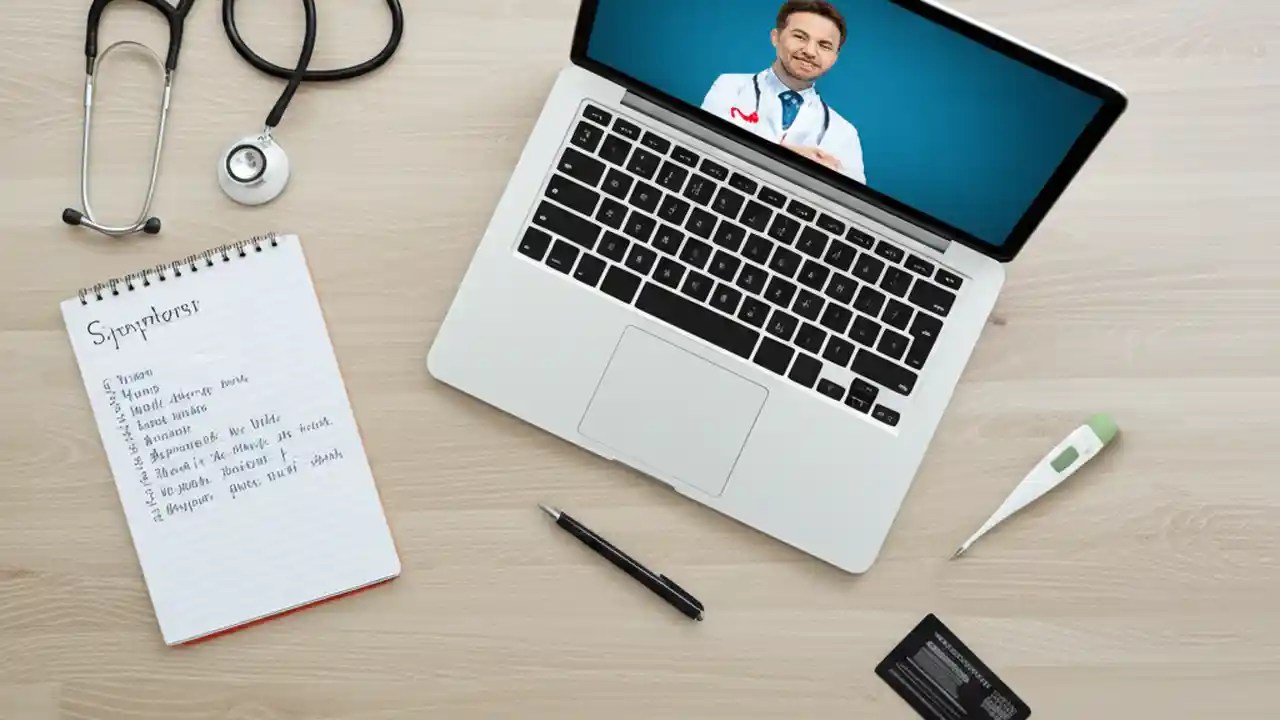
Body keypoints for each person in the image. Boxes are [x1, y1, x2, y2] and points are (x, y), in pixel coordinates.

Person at [700, 0, 866, 184]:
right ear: (775, 37)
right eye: (800, 37)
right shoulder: (729, 87)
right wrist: (793, 160)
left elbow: (848, 204)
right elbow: (706, 149)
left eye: (824, 45)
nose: (810, 51)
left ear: (834, 57)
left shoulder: (844, 133)